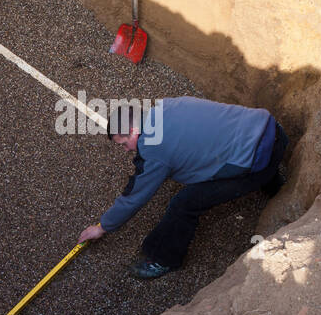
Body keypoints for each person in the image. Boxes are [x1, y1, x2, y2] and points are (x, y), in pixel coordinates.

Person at [77, 96, 289, 279]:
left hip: (260, 163)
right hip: (272, 128)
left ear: (134, 130)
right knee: (224, 150)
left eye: (124, 143)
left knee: (183, 203)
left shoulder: (154, 149)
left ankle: (163, 259)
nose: (126, 150)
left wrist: (102, 226)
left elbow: (135, 196)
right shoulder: (166, 106)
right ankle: (274, 185)